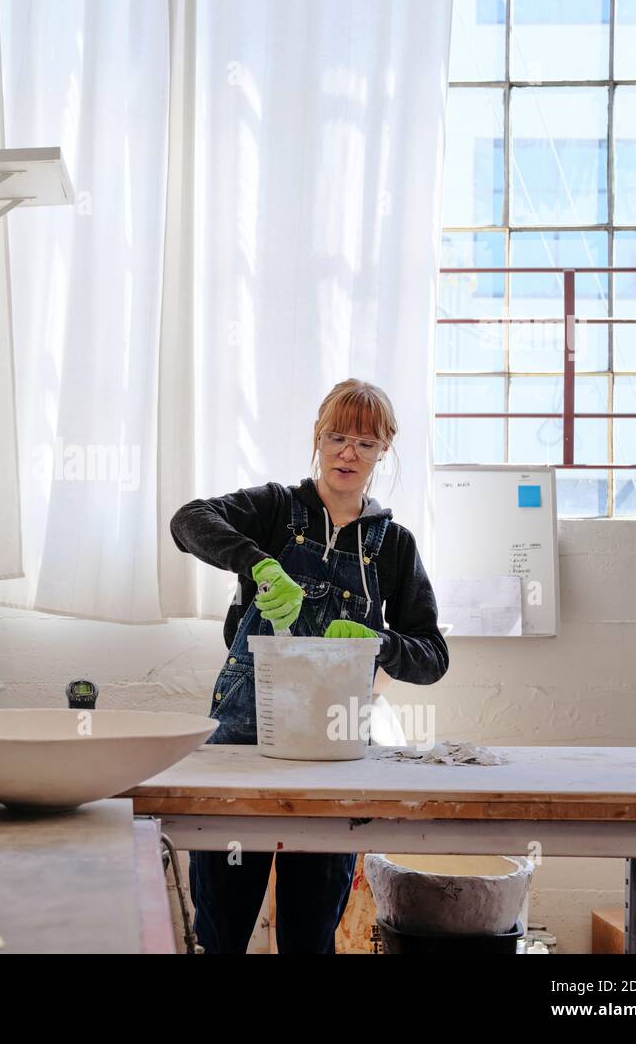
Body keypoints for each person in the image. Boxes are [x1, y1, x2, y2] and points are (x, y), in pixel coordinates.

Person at [170, 378, 449, 954]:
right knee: (221, 935)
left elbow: (433, 656)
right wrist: (261, 566)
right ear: (317, 439)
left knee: (309, 939)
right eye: (337, 437)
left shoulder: (393, 545)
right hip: (240, 753)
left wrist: (377, 640)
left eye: (366, 443)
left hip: (335, 757)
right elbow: (188, 520)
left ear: (384, 451)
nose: (349, 453)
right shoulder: (274, 508)